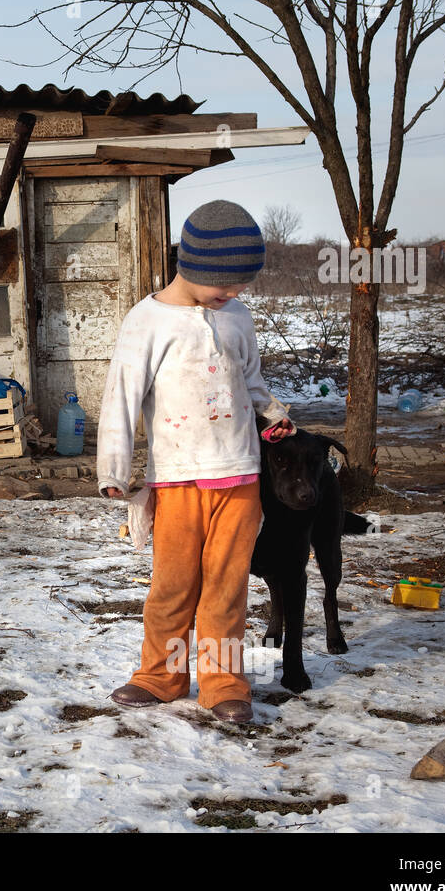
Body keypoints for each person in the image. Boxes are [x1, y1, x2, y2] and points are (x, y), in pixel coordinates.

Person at [96, 200, 294, 724]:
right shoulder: (148, 321)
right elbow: (120, 394)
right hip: (179, 478)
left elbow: (249, 380)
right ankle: (161, 676)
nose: (234, 294)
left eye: (241, 285)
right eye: (226, 283)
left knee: (226, 590)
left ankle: (223, 683)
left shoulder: (235, 316)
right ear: (195, 267)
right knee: (174, 586)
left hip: (240, 475)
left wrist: (273, 413)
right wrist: (114, 469)